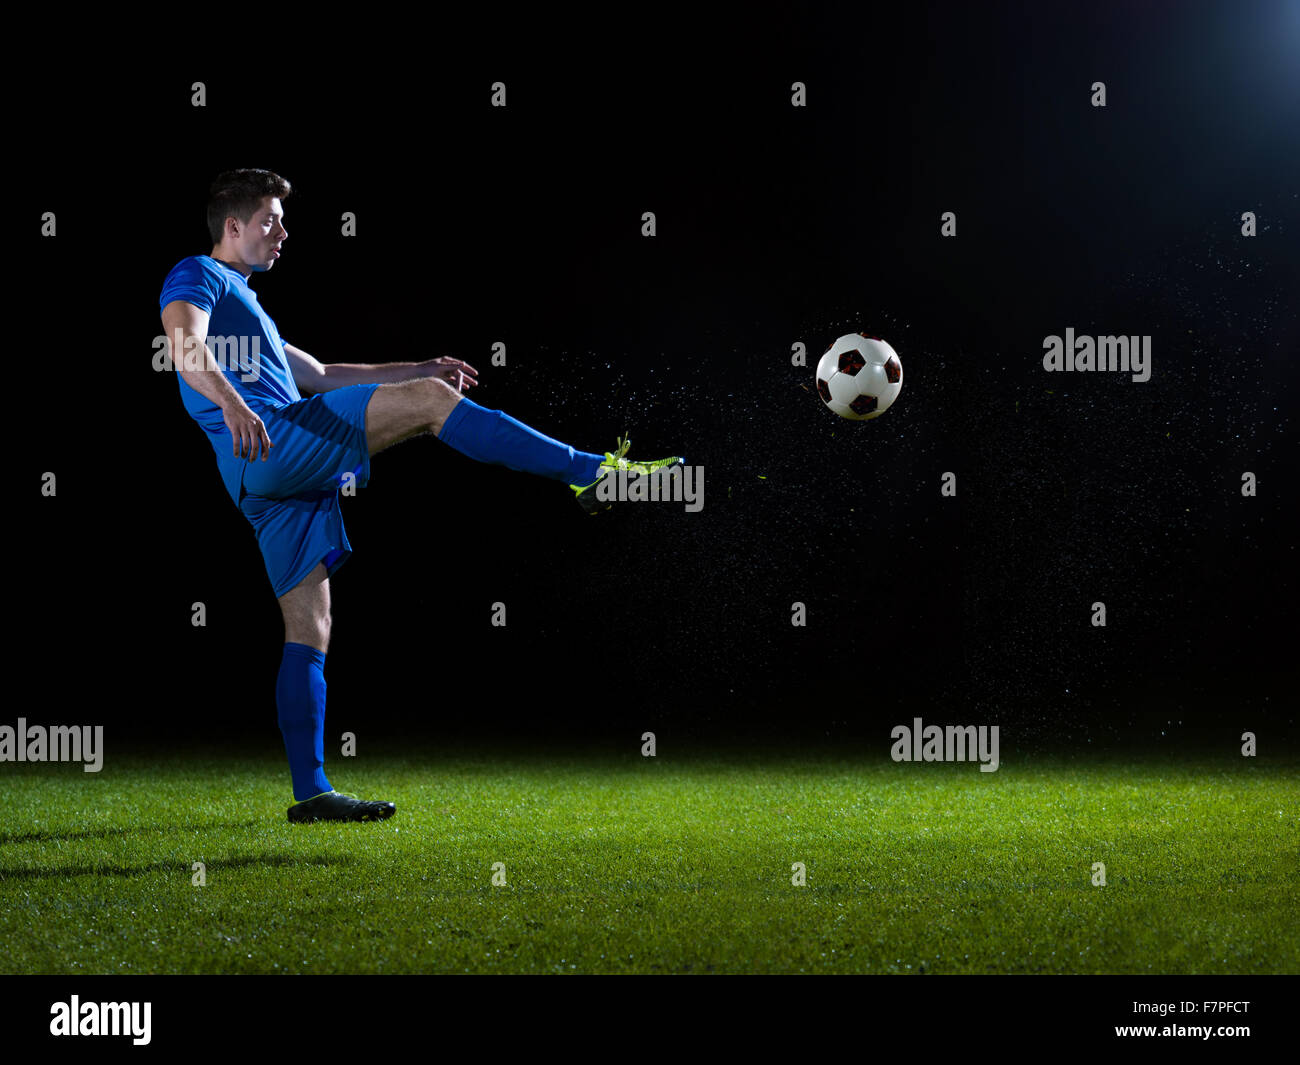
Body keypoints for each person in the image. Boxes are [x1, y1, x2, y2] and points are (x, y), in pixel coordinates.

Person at [159, 169, 682, 823]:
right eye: (271, 219)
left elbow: (320, 374)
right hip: (274, 445)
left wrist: (419, 369)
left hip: (263, 483)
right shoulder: (197, 273)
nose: (283, 231)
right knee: (437, 409)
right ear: (232, 226)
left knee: (310, 626)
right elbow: (181, 344)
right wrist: (236, 405)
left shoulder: (249, 303)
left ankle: (312, 792)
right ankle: (591, 472)